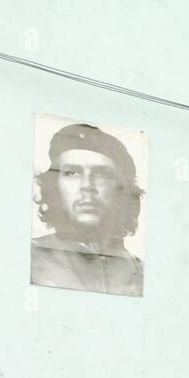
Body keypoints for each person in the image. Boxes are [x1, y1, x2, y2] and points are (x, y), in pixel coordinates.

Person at [31, 122, 144, 297]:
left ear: (122, 191)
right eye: (72, 173)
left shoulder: (141, 273)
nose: (87, 186)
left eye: (102, 174)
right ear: (54, 187)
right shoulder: (31, 257)